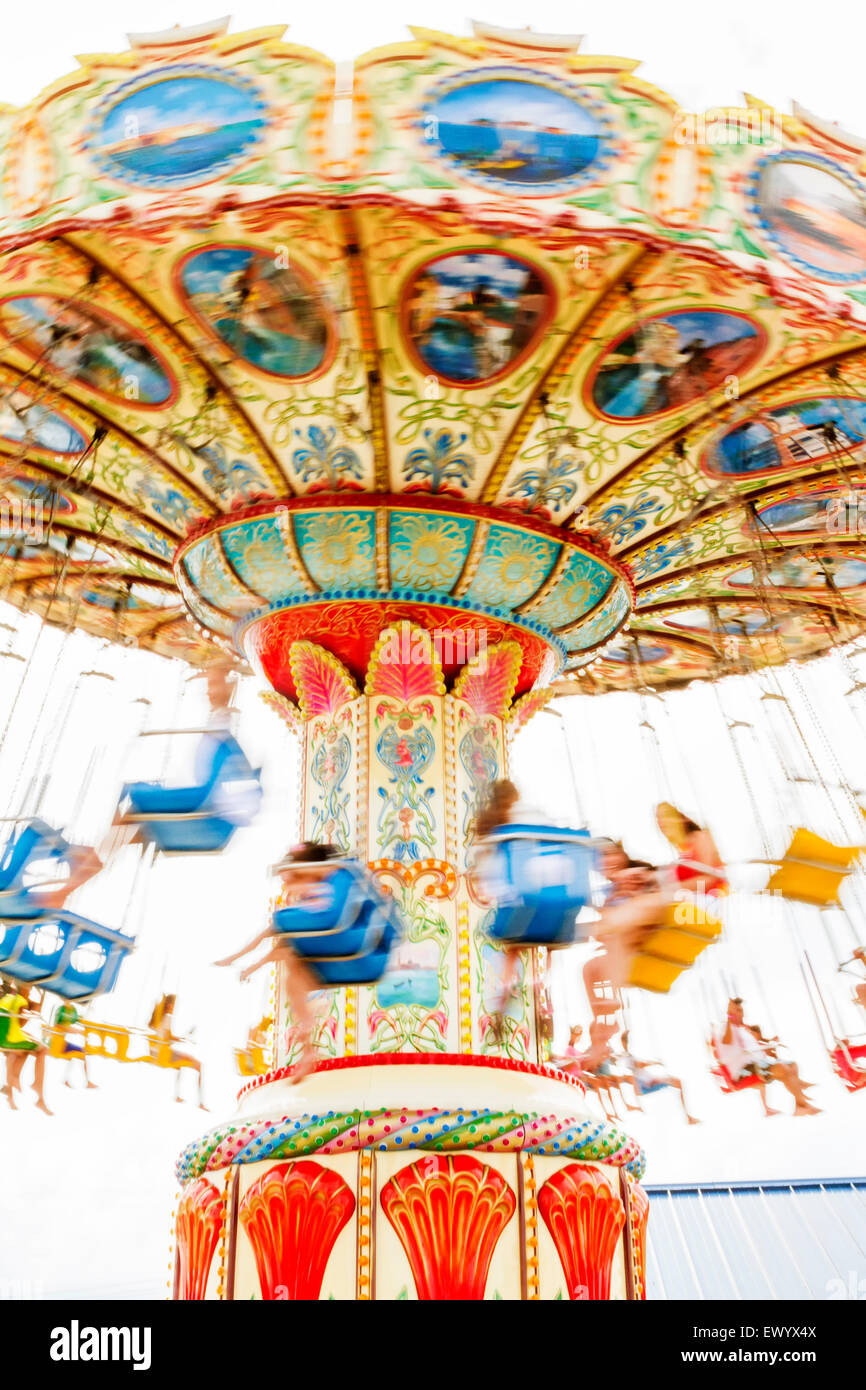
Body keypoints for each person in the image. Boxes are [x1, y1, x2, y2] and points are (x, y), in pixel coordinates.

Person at [214, 842, 343, 1084]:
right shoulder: (310, 895)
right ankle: (308, 1052)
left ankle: (235, 957)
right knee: (291, 975)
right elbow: (281, 945)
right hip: (318, 954)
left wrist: (243, 961)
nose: (286, 884)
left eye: (291, 878)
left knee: (280, 933)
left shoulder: (318, 892)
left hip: (329, 943)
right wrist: (252, 965)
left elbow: (278, 935)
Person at [714, 997, 819, 1118]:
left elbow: (757, 1048)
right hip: (743, 1070)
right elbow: (726, 1041)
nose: (741, 1014)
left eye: (741, 1010)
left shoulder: (743, 1030)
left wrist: (770, 1046)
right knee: (782, 1068)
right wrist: (730, 1017)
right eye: (737, 1010)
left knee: (793, 1065)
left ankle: (799, 1104)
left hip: (758, 1063)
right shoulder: (724, 1028)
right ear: (731, 1014)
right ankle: (802, 1103)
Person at [620, 1029, 699, 1124]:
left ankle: (688, 1117)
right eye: (625, 1040)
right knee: (677, 1082)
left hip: (648, 1080)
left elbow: (640, 1064)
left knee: (677, 1082)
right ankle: (688, 1117)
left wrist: (654, 1063)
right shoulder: (627, 1058)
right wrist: (655, 1063)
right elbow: (640, 1064)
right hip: (647, 1083)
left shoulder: (628, 1056)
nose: (627, 1043)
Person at [0, 983, 52, 1114]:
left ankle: (13, 1085)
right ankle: (35, 1087)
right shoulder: (20, 1000)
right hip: (9, 1039)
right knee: (42, 1049)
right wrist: (30, 1012)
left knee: (23, 1050)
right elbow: (21, 1022)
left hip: (4, 1037)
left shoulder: (7, 997)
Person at [148, 994, 207, 1109]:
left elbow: (165, 1037)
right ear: (170, 1005)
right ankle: (200, 1102)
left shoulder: (158, 1018)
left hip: (157, 1053)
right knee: (198, 1065)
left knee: (179, 1066)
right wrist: (182, 1039)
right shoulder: (168, 1017)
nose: (174, 1007)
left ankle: (177, 1095)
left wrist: (180, 1039)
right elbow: (168, 1037)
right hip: (165, 1055)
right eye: (174, 1004)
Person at [51, 1000, 97, 1089]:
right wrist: (76, 1031)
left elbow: (76, 1020)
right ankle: (86, 1082)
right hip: (57, 1043)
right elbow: (57, 1025)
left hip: (63, 1042)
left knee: (76, 1055)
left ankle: (70, 1080)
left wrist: (86, 1021)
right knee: (79, 1054)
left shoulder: (73, 1010)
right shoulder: (61, 1010)